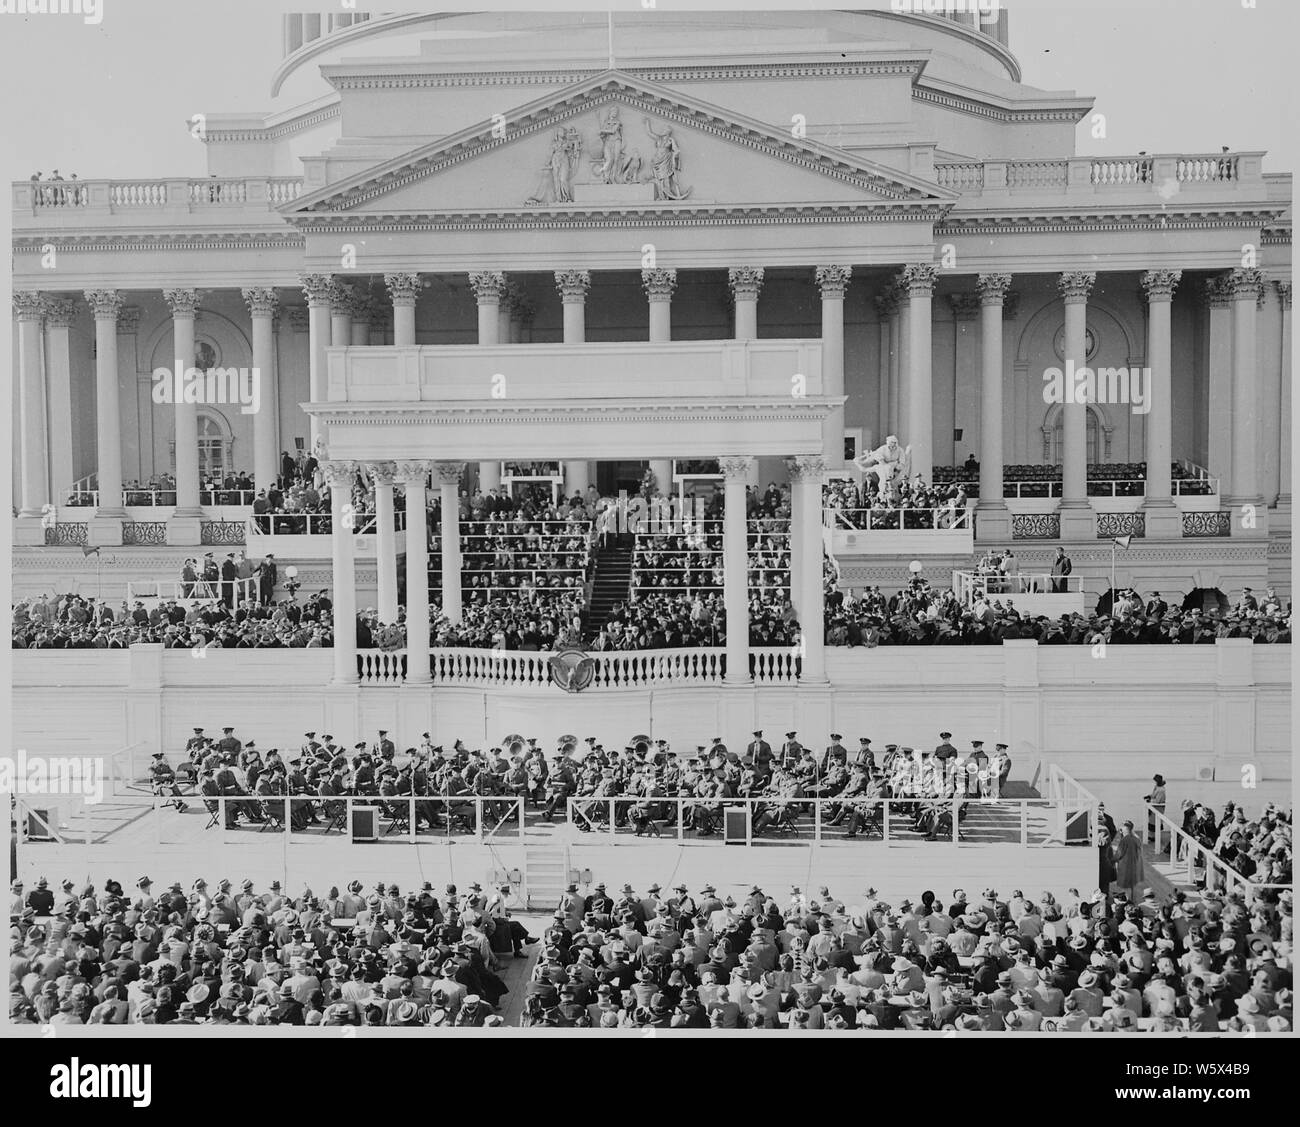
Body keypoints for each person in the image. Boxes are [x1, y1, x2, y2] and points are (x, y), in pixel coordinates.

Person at [1111, 820, 1144, 901]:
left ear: (1124, 829)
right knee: (1133, 885)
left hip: (1125, 866)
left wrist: (1112, 861)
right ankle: (1133, 901)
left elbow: (1119, 854)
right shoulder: (1136, 839)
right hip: (1135, 865)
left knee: (1126, 886)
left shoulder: (1124, 840)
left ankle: (1128, 902)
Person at [1144, 774, 1168, 856]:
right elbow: (1153, 795)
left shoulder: (1161, 790)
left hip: (1158, 808)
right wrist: (1149, 796)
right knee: (1151, 822)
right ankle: (1152, 837)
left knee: (1156, 823)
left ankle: (1156, 838)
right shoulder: (1157, 787)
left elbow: (1158, 800)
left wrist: (1150, 800)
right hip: (1154, 807)